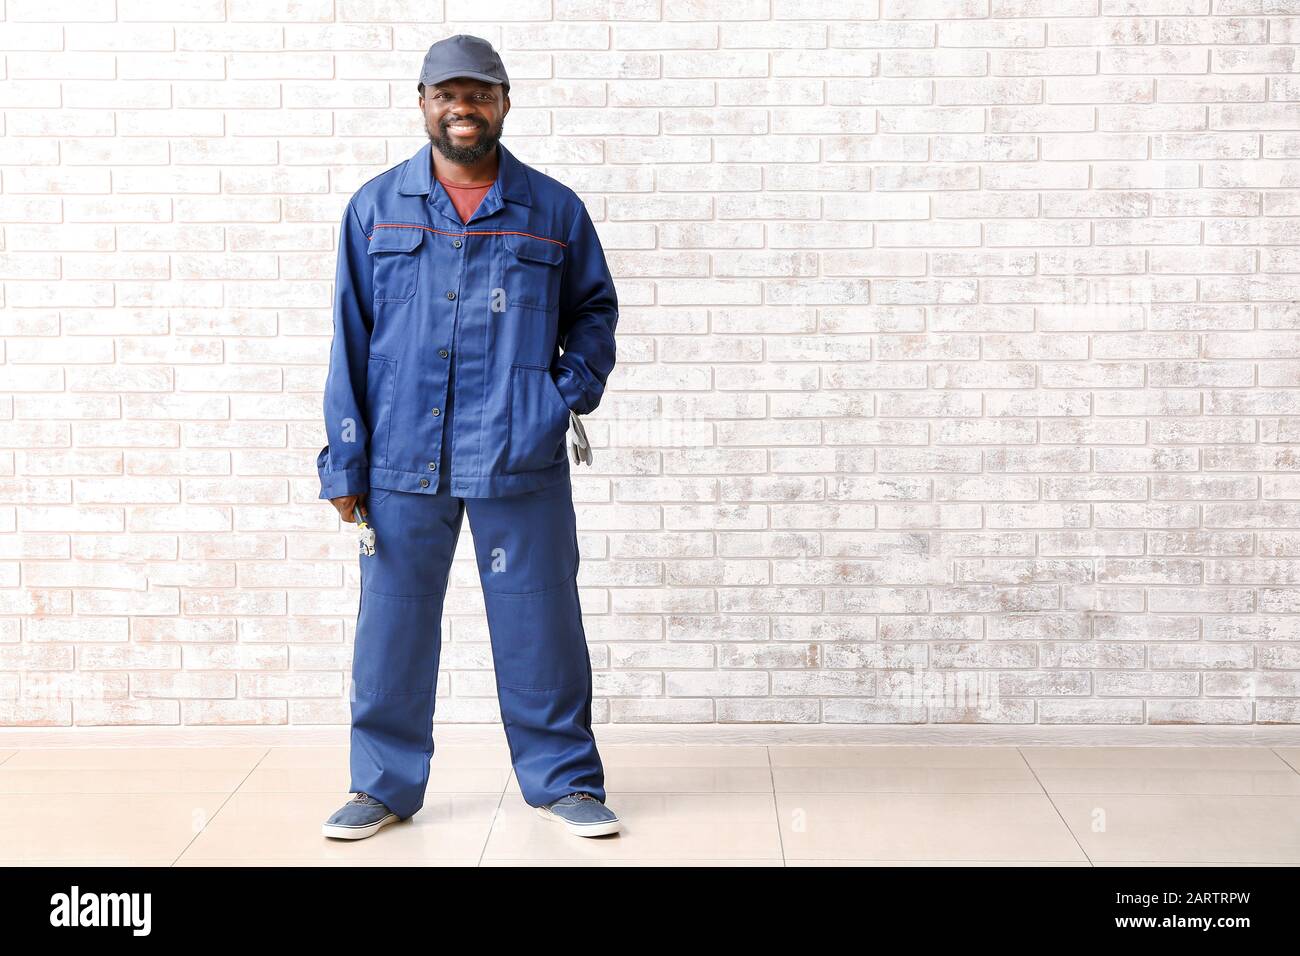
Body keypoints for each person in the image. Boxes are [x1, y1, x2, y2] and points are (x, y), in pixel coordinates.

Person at [315, 34, 620, 840]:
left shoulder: (554, 211)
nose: (463, 107)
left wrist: (559, 399)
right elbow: (349, 340)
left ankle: (564, 782)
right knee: (391, 626)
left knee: (541, 621)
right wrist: (344, 458)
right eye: (447, 94)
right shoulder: (374, 208)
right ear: (422, 102)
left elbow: (594, 313)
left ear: (505, 102)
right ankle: (380, 786)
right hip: (397, 459)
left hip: (519, 453)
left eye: (479, 93)